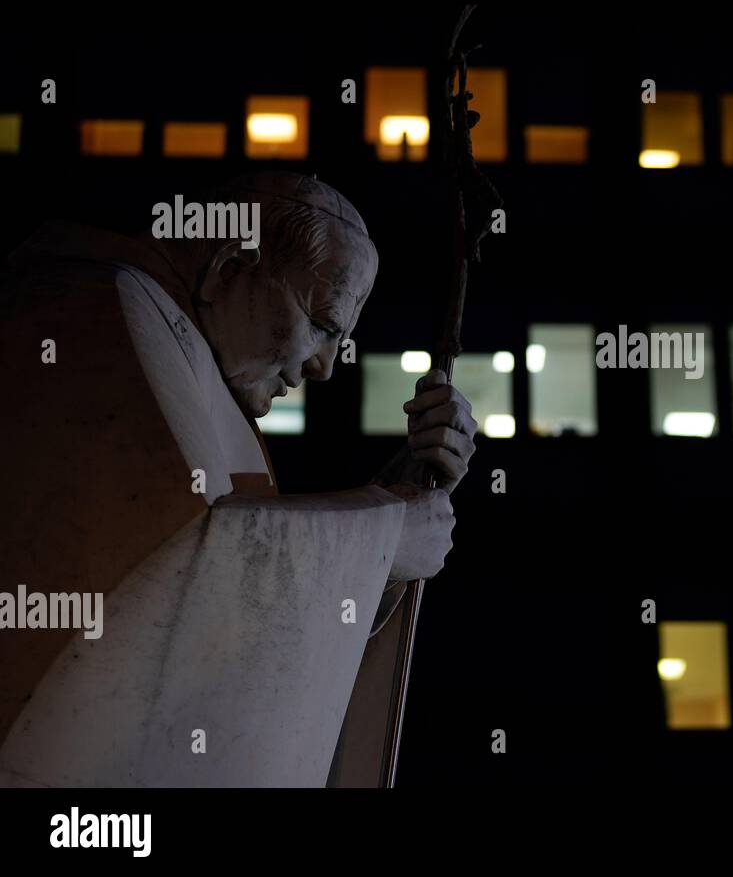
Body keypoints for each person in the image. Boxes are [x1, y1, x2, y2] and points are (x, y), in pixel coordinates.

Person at [0, 171, 474, 786]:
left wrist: (409, 484)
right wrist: (387, 536)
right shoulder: (99, 305)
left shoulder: (169, 330)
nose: (324, 367)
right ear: (229, 266)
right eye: (325, 324)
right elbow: (174, 571)